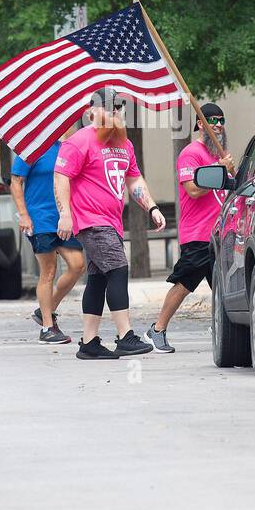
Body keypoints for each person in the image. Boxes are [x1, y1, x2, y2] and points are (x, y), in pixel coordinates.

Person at [55, 88, 162, 359]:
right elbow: (61, 177)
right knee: (118, 268)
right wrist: (65, 213)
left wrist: (151, 206)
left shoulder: (123, 143)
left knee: (98, 277)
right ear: (92, 111)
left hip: (111, 222)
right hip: (92, 221)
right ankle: (125, 336)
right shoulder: (79, 141)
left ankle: (89, 343)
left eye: (118, 107)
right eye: (107, 107)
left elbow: (134, 180)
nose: (114, 112)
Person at [146, 103, 234, 352]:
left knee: (223, 286)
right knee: (184, 283)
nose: (217, 125)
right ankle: (157, 329)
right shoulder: (190, 153)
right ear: (199, 124)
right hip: (198, 234)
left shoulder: (219, 155)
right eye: (211, 120)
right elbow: (193, 190)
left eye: (221, 120)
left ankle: (227, 331)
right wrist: (221, 169)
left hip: (218, 233)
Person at [10, 136, 84, 345]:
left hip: (63, 217)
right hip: (39, 217)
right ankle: (47, 327)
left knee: (78, 266)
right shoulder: (29, 148)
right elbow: (16, 181)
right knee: (49, 270)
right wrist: (23, 214)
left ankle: (46, 310)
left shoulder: (66, 148)